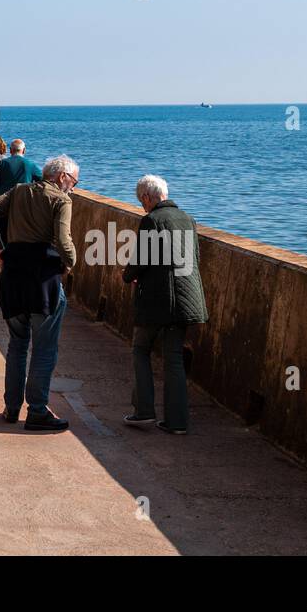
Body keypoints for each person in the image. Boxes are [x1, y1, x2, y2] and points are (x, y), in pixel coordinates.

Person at [0, 155, 80, 431]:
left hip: (12, 275)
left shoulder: (19, 191)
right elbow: (62, 239)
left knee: (17, 344)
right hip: (43, 279)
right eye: (73, 181)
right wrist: (71, 262)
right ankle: (37, 410)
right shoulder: (61, 200)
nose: (73, 187)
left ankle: (11, 408)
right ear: (61, 178)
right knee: (44, 349)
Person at [122, 174, 209, 435]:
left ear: (148, 197)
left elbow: (142, 259)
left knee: (140, 349)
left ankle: (144, 412)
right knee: (173, 359)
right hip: (186, 300)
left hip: (157, 301)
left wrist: (127, 276)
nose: (142, 206)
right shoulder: (188, 219)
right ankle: (177, 422)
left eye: (141, 201)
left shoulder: (151, 220)